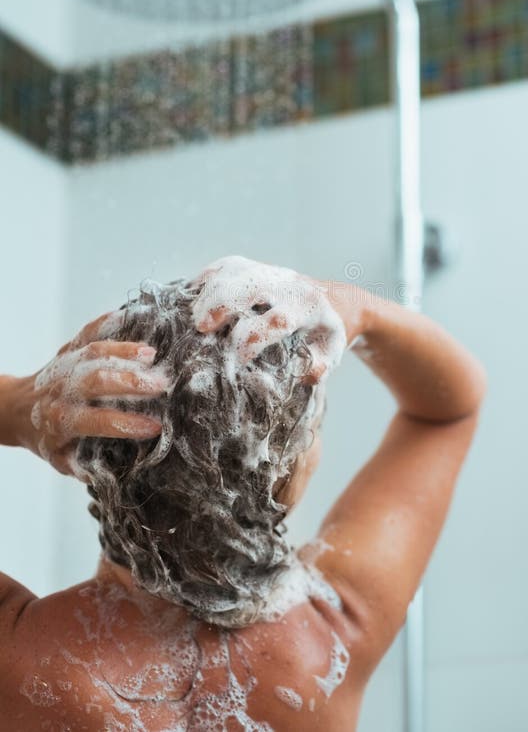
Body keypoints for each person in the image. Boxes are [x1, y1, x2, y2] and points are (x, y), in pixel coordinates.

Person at [0, 255, 487, 731]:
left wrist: (20, 408)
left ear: (92, 458)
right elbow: (449, 410)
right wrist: (358, 306)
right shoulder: (336, 634)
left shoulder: (19, 655)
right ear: (284, 476)